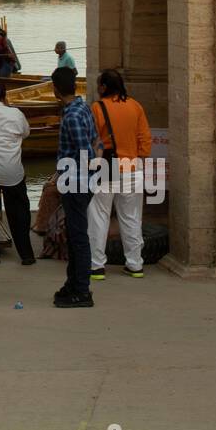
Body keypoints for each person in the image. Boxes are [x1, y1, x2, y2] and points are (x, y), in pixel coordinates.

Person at [88, 69, 152, 280]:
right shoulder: (135, 106)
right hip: (132, 168)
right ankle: (135, 265)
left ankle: (97, 266)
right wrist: (135, 156)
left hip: (106, 167)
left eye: (99, 85)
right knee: (132, 218)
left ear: (104, 87)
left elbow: (92, 140)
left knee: (99, 216)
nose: (97, 89)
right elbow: (145, 141)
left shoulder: (98, 108)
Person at [52, 66, 98, 308]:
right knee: (74, 234)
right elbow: (95, 139)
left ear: (56, 90)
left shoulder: (71, 116)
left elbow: (85, 151)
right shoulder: (83, 107)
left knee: (78, 237)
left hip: (76, 183)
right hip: (79, 180)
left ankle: (82, 290)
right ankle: (73, 283)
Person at [0, 79, 36, 266]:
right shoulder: (16, 114)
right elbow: (26, 133)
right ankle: (26, 254)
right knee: (20, 214)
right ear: (5, 96)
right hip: (13, 173)